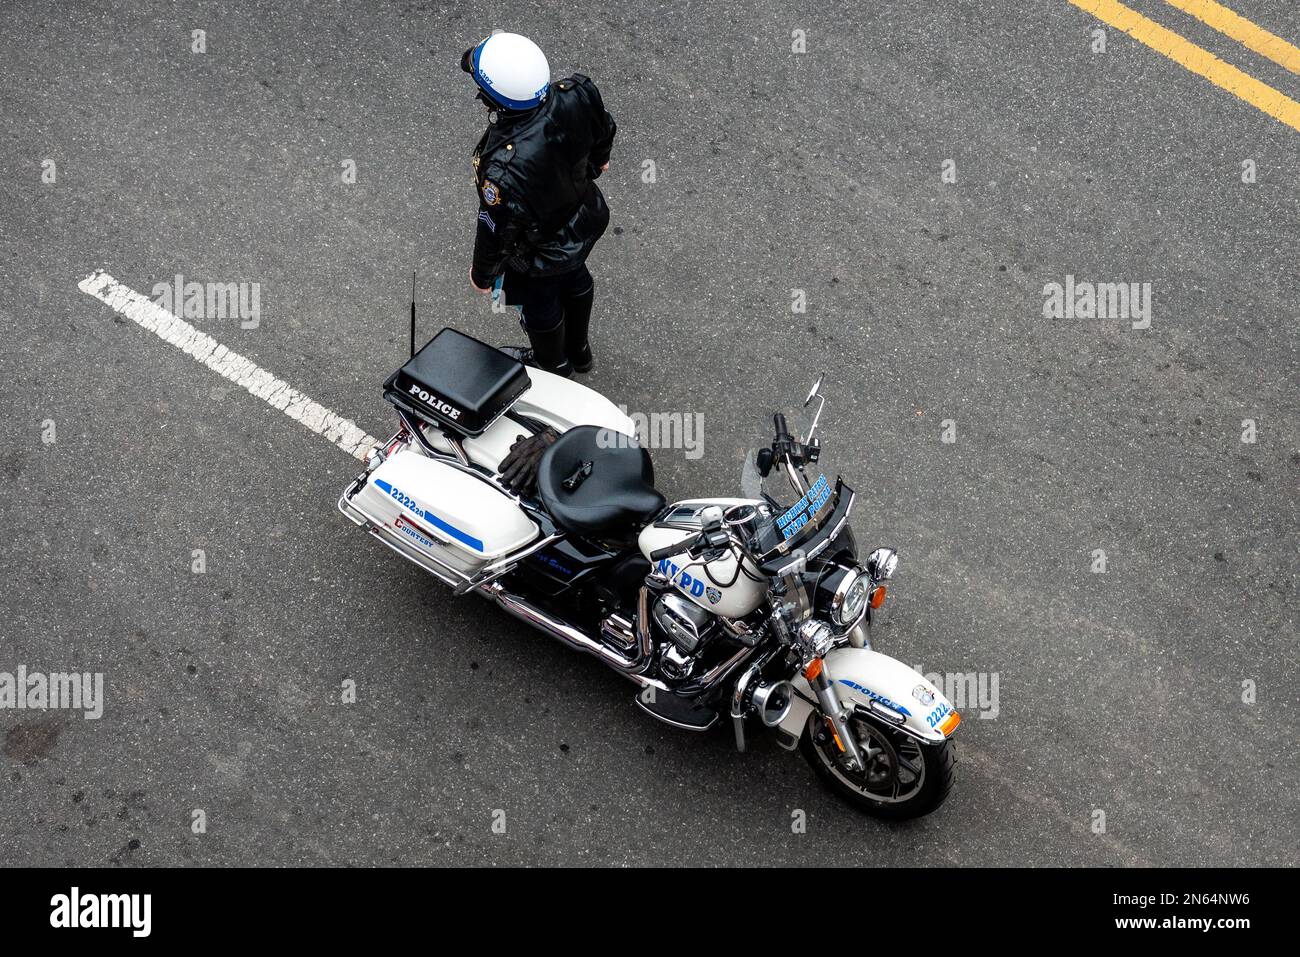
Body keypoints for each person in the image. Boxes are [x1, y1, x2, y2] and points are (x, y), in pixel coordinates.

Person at [461, 32, 616, 377]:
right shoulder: (576, 92)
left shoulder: (501, 170)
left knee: (540, 302)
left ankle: (554, 366)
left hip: (540, 251)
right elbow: (604, 127)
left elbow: (494, 227)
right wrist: (598, 161)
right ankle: (579, 351)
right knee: (576, 276)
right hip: (584, 215)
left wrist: (483, 274)